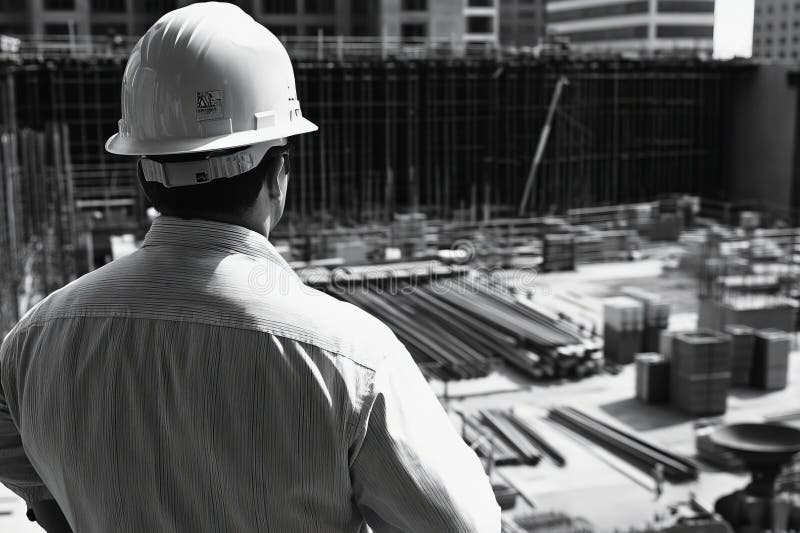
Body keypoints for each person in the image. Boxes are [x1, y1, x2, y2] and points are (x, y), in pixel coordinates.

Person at [0, 3, 500, 532]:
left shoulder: (33, 340)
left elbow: (20, 463)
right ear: (278, 175)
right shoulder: (352, 360)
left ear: (144, 175)